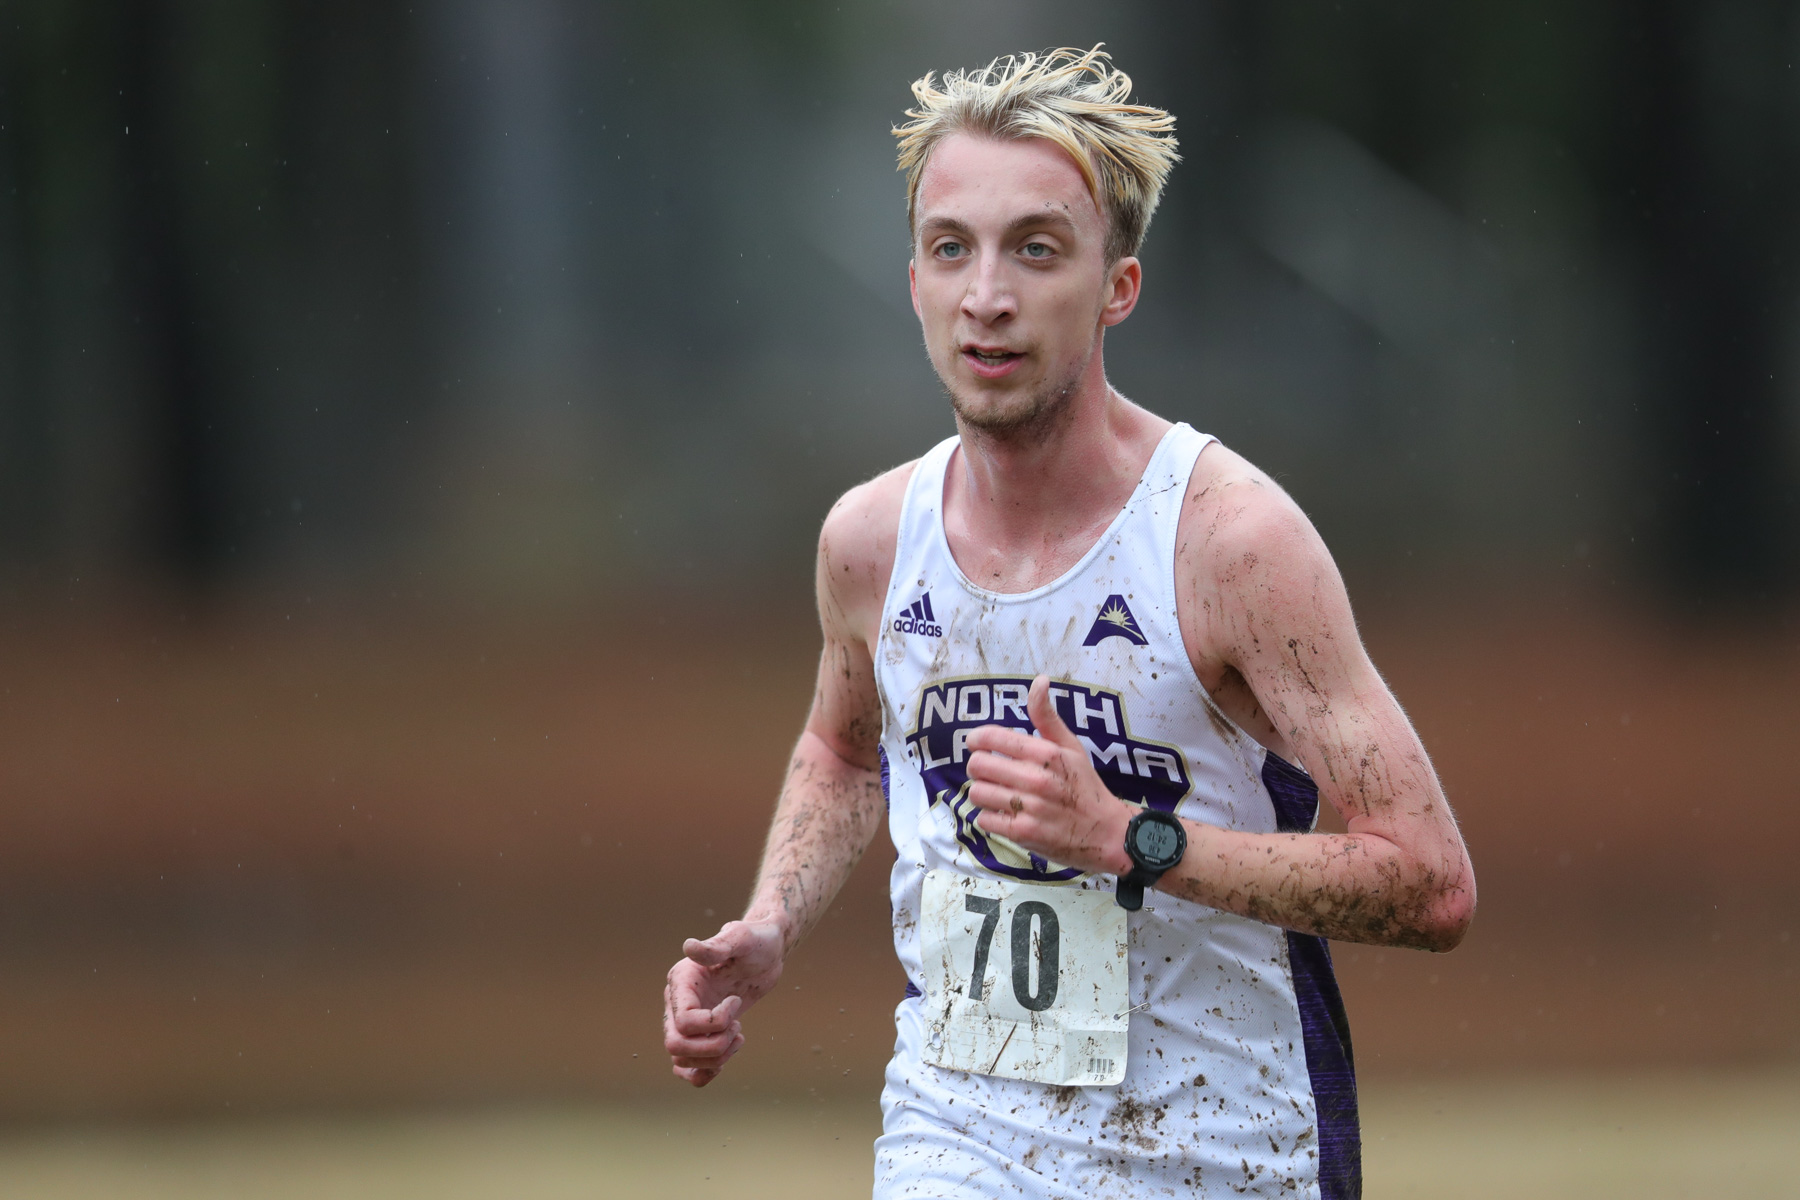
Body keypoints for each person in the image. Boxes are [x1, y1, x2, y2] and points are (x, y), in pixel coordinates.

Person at [662, 46, 1475, 1199]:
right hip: (958, 1138)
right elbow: (844, 750)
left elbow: (1427, 882)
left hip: (1230, 1155)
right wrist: (771, 922)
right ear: (914, 284)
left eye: (1036, 250)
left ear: (1117, 289)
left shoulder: (1230, 544)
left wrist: (1133, 841)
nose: (987, 294)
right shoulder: (870, 541)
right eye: (953, 249)